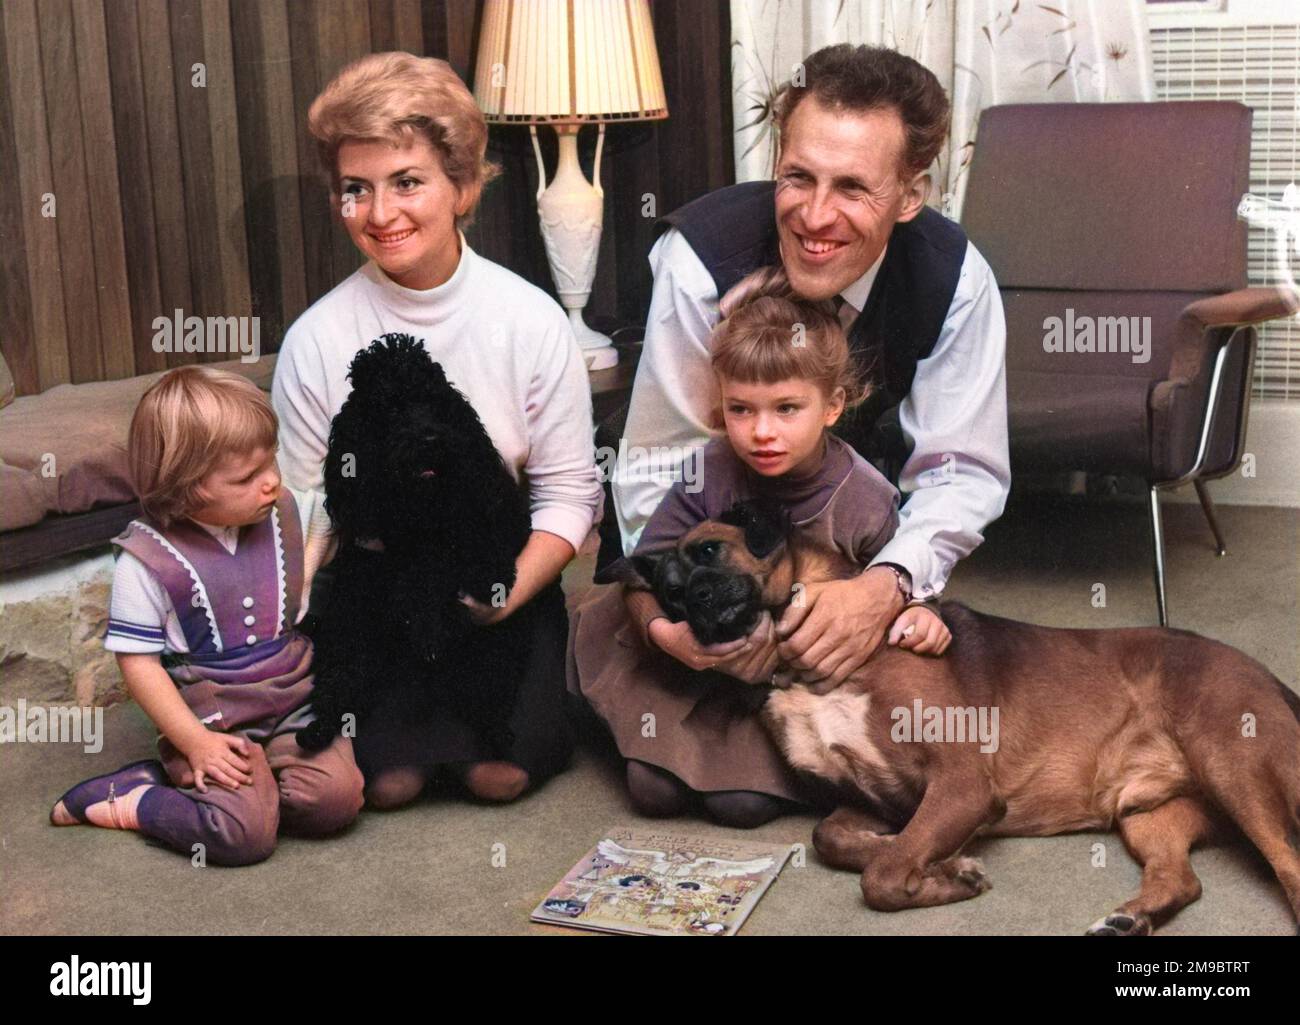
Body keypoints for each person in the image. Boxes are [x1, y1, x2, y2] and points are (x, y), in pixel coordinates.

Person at [610, 44, 1008, 692]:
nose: (815, 217)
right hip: (708, 540)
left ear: (910, 195)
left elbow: (960, 471)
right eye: (798, 177)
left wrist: (888, 585)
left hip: (855, 544)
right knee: (680, 770)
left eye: (852, 187)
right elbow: (661, 464)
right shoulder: (698, 262)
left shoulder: (957, 280)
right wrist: (678, 613)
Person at [272, 52, 601, 809]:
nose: (380, 213)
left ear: (464, 186)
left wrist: (503, 596)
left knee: (501, 775)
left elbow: (567, 498)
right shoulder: (317, 338)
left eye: (408, 182)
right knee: (388, 783)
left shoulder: (530, 320)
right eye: (357, 189)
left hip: (499, 573)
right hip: (383, 592)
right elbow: (306, 511)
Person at [570, 268, 951, 828]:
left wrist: (922, 615)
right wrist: (668, 637)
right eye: (741, 409)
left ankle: (734, 764)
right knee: (652, 790)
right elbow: (642, 572)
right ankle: (615, 722)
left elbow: (902, 584)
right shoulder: (710, 469)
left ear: (832, 405)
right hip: (698, 657)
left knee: (740, 805)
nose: (761, 432)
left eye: (786, 409)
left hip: (787, 679)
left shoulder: (866, 498)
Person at [50, 366, 363, 866]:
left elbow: (347, 514)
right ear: (186, 487)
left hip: (293, 704)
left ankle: (249, 789)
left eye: (271, 462)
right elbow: (139, 664)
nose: (271, 483)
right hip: (214, 724)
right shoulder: (147, 559)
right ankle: (139, 799)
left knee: (335, 802)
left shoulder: (289, 513)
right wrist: (194, 742)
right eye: (246, 477)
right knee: (244, 838)